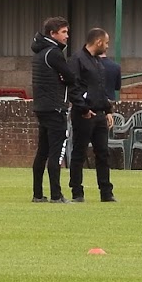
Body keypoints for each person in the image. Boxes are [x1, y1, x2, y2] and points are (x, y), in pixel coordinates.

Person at [30, 17, 76, 203]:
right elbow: (70, 77)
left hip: (41, 107)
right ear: (53, 33)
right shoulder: (54, 53)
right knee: (56, 153)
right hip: (55, 108)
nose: (67, 36)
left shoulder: (39, 54)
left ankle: (38, 194)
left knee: (42, 152)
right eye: (64, 32)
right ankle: (56, 195)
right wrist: (64, 79)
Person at [68, 28, 116, 202]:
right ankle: (77, 192)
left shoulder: (98, 62)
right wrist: (83, 109)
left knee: (103, 154)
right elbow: (74, 88)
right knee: (79, 153)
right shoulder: (77, 60)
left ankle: (106, 192)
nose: (108, 46)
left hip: (99, 115)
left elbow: (101, 89)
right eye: (107, 42)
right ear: (98, 42)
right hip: (84, 115)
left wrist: (108, 110)